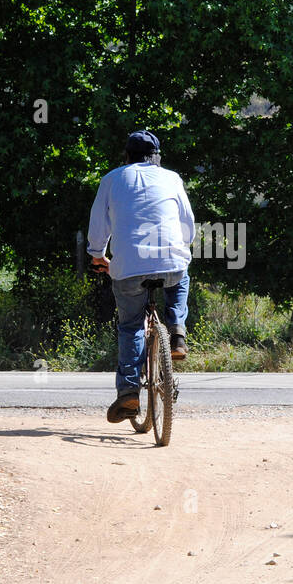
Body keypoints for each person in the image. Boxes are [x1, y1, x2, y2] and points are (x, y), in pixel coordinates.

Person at [87, 130, 194, 423]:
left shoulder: (111, 179)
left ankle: (128, 393)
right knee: (180, 275)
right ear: (156, 157)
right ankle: (177, 332)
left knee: (131, 326)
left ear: (127, 156)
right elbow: (188, 226)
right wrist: (179, 248)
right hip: (171, 264)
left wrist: (98, 255)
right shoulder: (172, 178)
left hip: (129, 268)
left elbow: (98, 226)